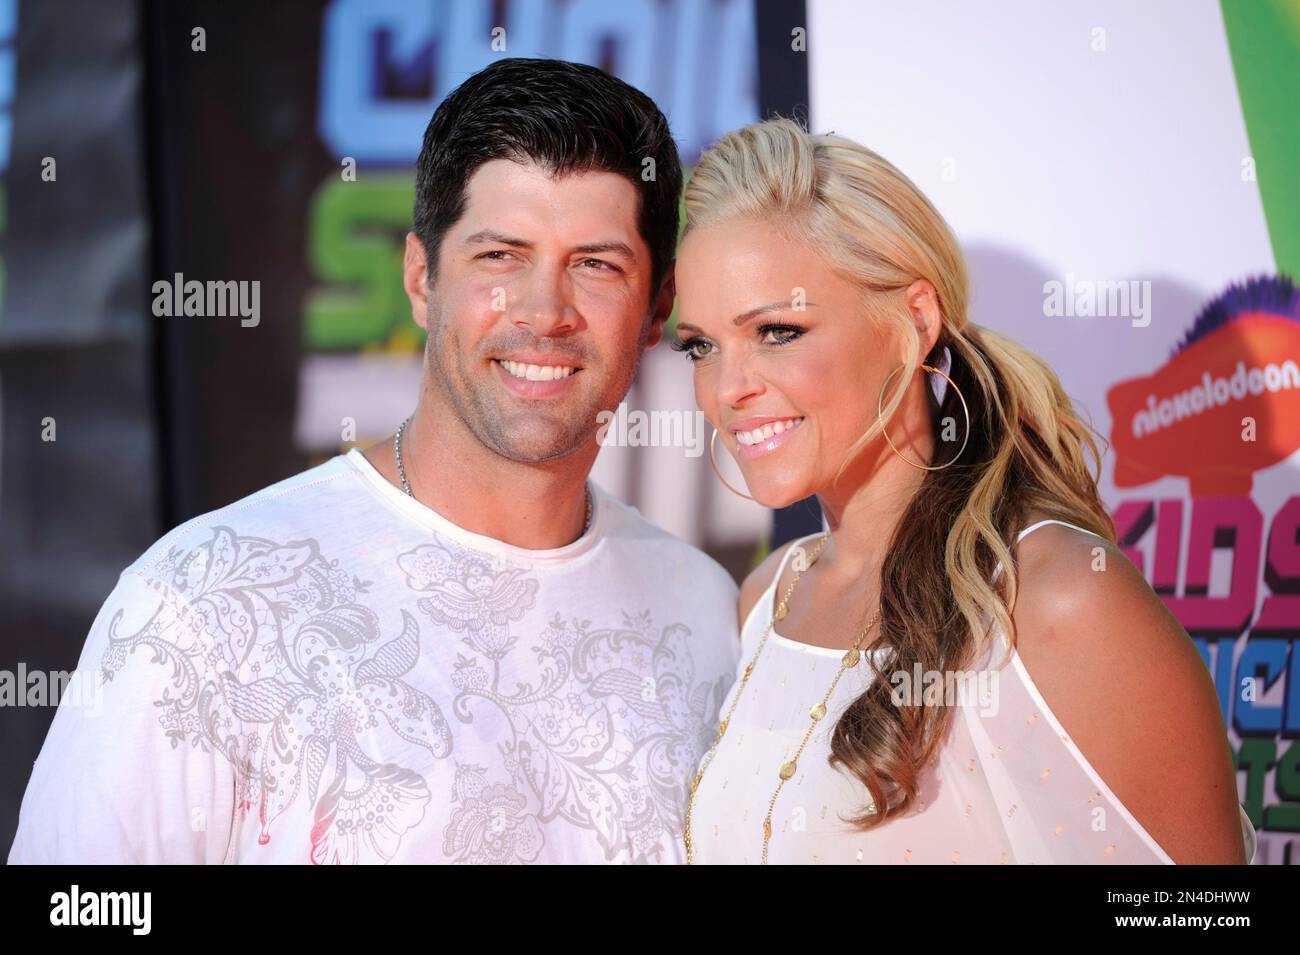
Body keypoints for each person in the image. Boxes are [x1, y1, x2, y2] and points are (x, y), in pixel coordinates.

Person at [8, 58, 740, 865]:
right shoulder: (203, 602)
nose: (545, 311)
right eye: (500, 256)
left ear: (656, 310)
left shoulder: (703, 610)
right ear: (422, 279)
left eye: (596, 265)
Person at [673, 117, 1256, 865]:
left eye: (778, 331)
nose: (729, 388)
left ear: (915, 321)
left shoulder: (1055, 602)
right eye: (701, 345)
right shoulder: (766, 599)